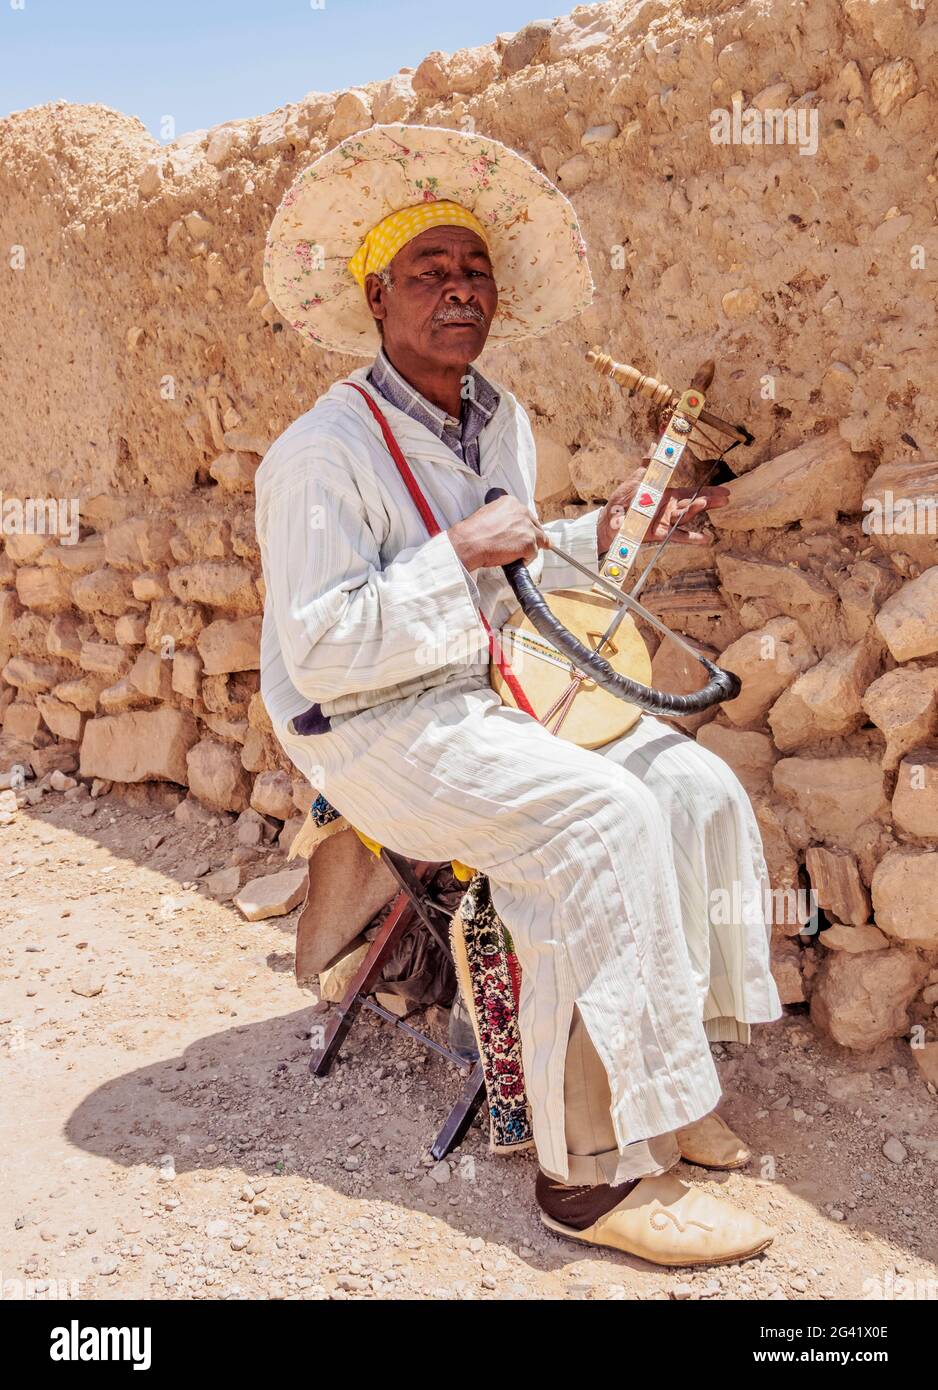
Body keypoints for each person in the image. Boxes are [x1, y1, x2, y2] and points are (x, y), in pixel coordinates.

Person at [257, 124, 782, 1266]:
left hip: (483, 689)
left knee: (691, 786)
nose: (457, 290)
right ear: (376, 298)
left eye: (473, 271)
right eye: (428, 273)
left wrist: (617, 526)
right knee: (597, 819)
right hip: (369, 725)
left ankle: (668, 1085)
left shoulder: (499, 418)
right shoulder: (318, 453)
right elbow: (326, 646)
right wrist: (456, 554)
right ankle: (585, 1179)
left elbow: (519, 562)